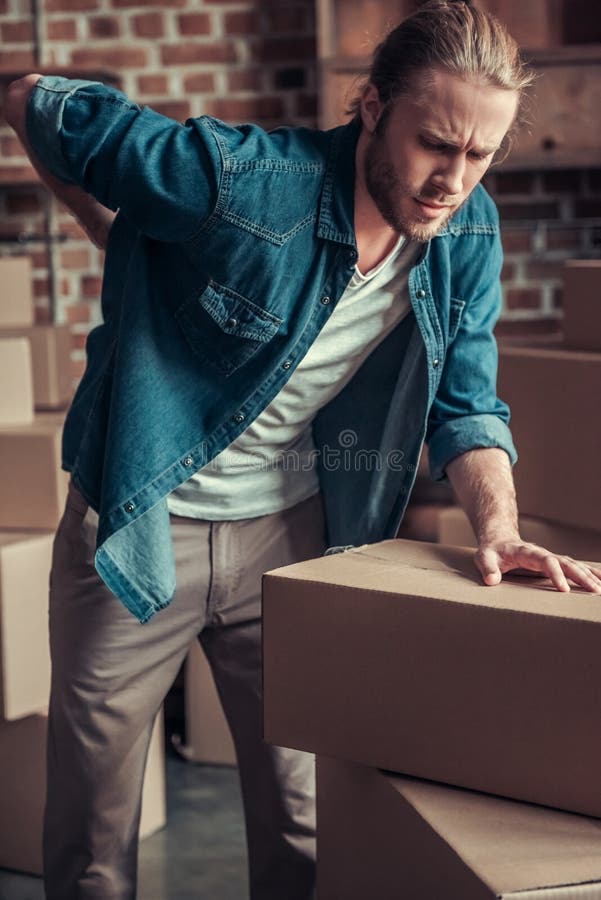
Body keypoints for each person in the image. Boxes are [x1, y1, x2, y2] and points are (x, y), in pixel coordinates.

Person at [6, 1, 601, 897]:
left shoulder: (465, 235)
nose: (452, 179)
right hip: (135, 528)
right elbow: (31, 98)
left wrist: (499, 526)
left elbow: (468, 403)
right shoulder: (235, 181)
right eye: (434, 144)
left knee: (305, 818)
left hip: (291, 536)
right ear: (371, 107)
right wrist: (113, 233)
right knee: (90, 835)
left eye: (480, 155)